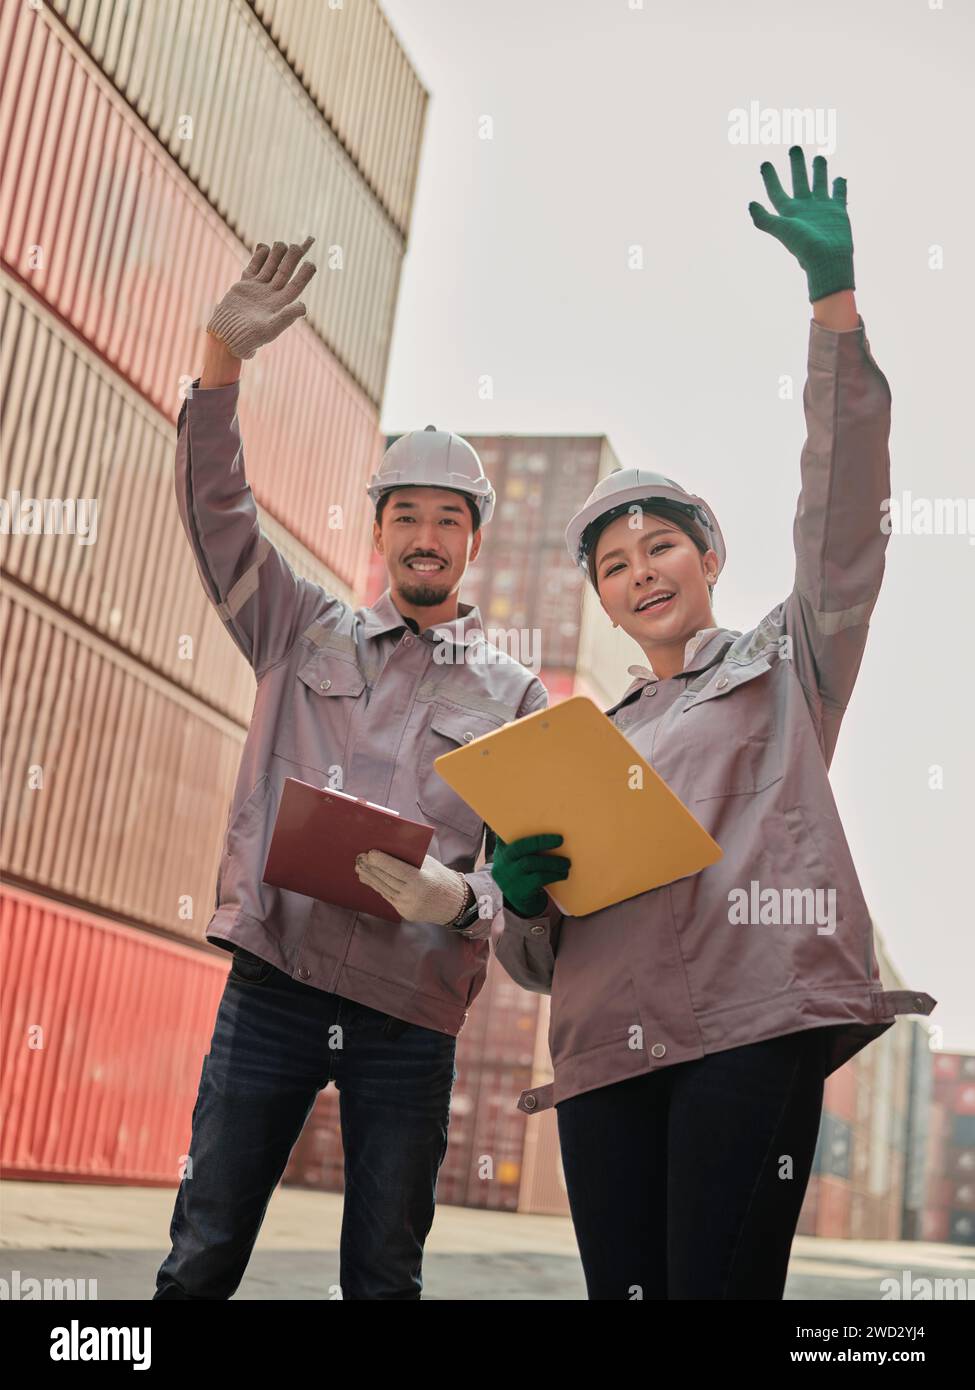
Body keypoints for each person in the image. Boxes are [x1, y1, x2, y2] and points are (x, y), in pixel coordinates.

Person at [487, 148, 936, 1300]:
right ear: (603, 598)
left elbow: (843, 515)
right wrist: (522, 899)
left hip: (745, 1036)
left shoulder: (793, 660)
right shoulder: (587, 743)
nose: (642, 574)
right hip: (602, 1057)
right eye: (616, 565)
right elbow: (539, 956)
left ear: (710, 556)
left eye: (662, 547)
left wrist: (832, 307)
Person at [154, 238, 547, 1300]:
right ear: (379, 531)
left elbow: (528, 901)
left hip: (409, 1014)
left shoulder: (516, 699)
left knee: (383, 1276)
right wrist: (220, 360)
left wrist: (456, 897)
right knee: (200, 1259)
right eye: (407, 515)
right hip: (274, 985)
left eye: (448, 521)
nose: (427, 536)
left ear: (472, 546)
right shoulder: (297, 628)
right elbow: (218, 515)